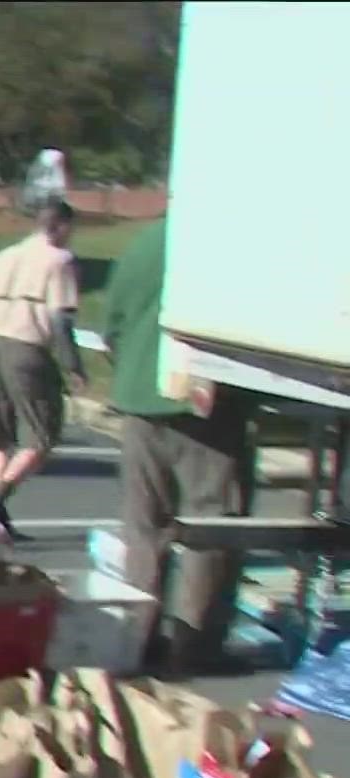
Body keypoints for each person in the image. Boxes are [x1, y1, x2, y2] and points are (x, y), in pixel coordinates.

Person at [103, 215, 254, 674]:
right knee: (211, 527)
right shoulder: (231, 247)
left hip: (141, 402)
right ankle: (194, 644)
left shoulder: (145, 243)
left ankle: (138, 637)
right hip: (207, 406)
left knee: (145, 531)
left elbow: (113, 327)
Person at [0, 198, 87, 543]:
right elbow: (60, 319)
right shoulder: (59, 261)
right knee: (41, 434)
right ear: (61, 226)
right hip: (26, 348)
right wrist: (73, 365)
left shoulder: (3, 257)